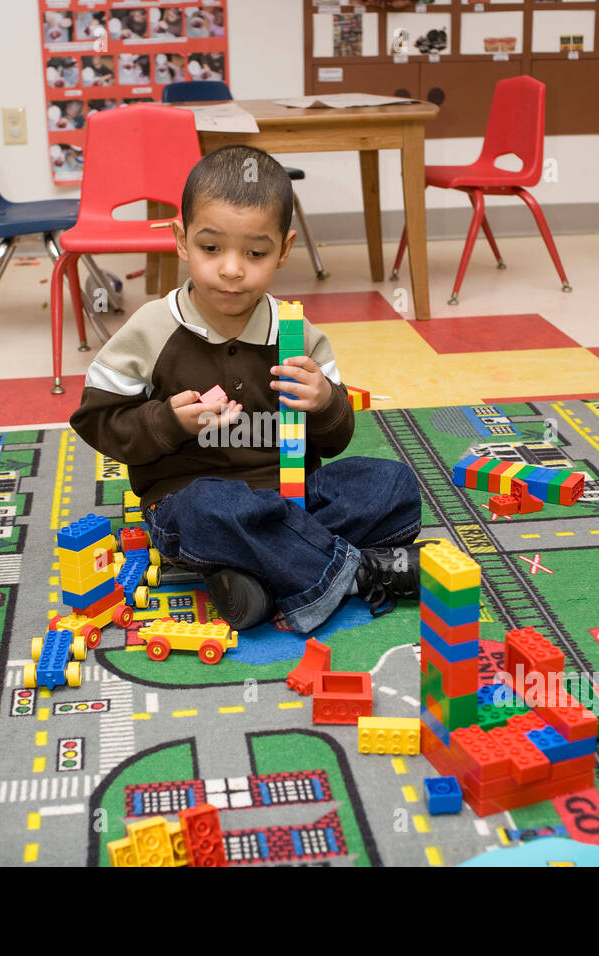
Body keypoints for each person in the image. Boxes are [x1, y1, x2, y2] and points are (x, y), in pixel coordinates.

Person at [70, 146, 424, 633]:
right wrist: (168, 421)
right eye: (211, 248)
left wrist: (324, 403)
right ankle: (353, 571)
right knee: (210, 511)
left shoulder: (299, 335)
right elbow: (96, 420)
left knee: (392, 484)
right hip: (187, 499)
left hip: (293, 493)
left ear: (284, 248)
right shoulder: (151, 329)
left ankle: (260, 572)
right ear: (180, 239)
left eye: (255, 253)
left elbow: (336, 441)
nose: (232, 269)